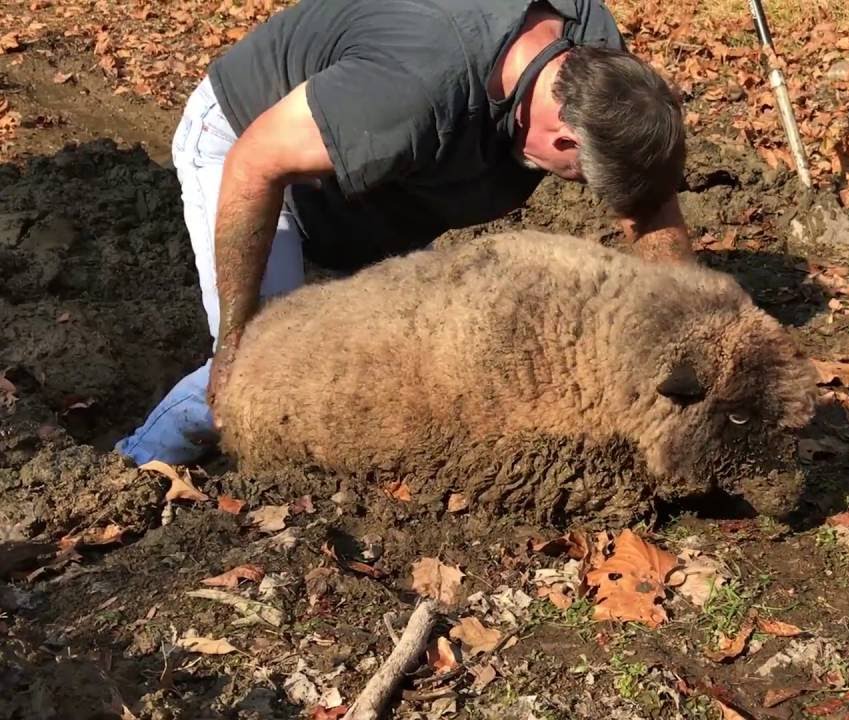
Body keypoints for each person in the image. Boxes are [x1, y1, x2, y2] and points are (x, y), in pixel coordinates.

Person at [114, 0, 694, 466]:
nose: (575, 184)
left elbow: (647, 202)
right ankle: (136, 467)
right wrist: (238, 343)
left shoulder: (602, 73)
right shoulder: (413, 92)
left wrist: (680, 340)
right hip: (248, 144)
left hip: (389, 179)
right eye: (577, 176)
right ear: (564, 141)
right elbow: (254, 165)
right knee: (271, 365)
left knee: (400, 360)